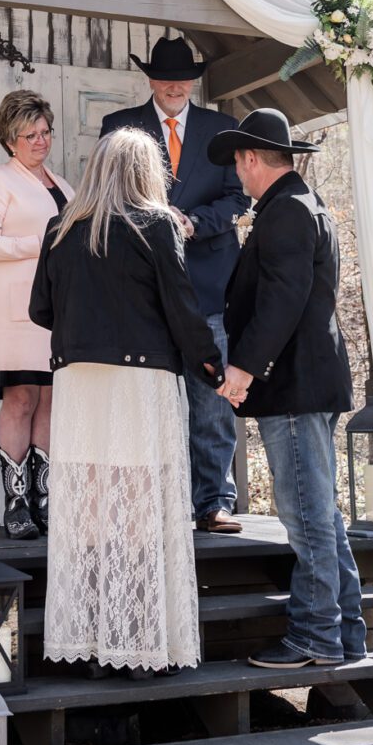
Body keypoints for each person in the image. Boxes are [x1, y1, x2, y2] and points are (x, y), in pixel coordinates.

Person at [29, 129, 221, 678]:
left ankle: (89, 640)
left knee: (88, 505)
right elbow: (182, 308)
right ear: (147, 172)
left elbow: (41, 309)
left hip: (77, 378)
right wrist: (211, 363)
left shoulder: (60, 228)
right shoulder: (156, 224)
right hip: (138, 379)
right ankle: (135, 645)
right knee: (136, 505)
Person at [207, 108, 366, 670]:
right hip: (309, 380)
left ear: (252, 158)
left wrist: (243, 369)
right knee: (320, 513)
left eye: (238, 165)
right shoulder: (303, 206)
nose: (238, 176)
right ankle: (345, 632)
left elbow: (283, 299)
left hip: (295, 385)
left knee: (304, 515)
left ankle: (315, 637)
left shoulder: (287, 214)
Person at [100, 35, 250, 535]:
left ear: (194, 82)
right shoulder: (118, 128)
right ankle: (152, 503)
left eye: (184, 78)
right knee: (146, 405)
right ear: (150, 80)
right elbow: (110, 197)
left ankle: (213, 502)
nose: (175, 85)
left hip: (209, 285)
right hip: (142, 291)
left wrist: (194, 222)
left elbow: (237, 199)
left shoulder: (222, 129)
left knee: (211, 402)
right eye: (166, 77)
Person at [0, 89, 72, 539]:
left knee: (50, 400)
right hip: (14, 312)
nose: (40, 141)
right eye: (30, 135)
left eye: (45, 132)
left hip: (56, 313)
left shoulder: (64, 184)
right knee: (21, 399)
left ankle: (43, 500)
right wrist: (40, 245)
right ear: (10, 140)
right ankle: (16, 506)